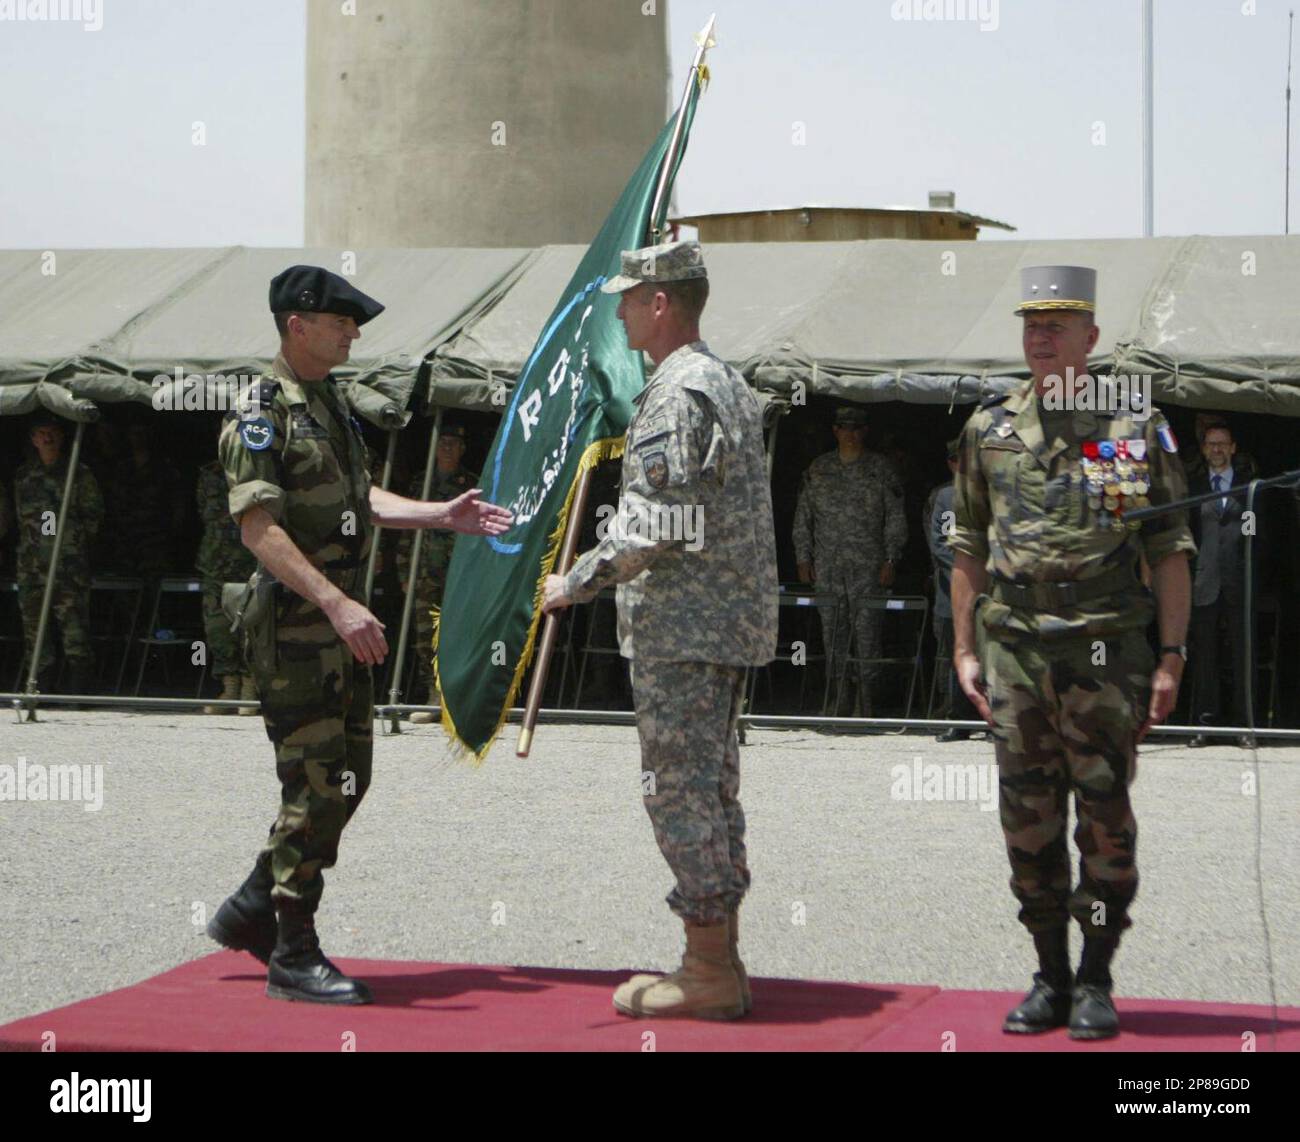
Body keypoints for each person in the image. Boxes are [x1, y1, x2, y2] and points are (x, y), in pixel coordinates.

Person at [207, 265, 511, 1005]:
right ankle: (292, 952)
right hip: (296, 626)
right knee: (312, 788)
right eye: (340, 322)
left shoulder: (331, 404)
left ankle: (255, 902)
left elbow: (357, 498)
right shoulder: (260, 411)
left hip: (341, 626)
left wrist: (440, 514)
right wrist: (337, 603)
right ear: (296, 325)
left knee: (350, 778)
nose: (354, 333)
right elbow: (259, 528)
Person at [949, 265, 1195, 1040]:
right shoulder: (988, 430)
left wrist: (1171, 657)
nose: (1041, 337)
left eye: (1057, 325)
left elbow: (1169, 547)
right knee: (1027, 820)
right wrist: (964, 650)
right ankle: (1048, 974)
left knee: (1104, 818)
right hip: (1016, 652)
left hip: (1103, 651)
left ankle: (1095, 976)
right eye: (1031, 324)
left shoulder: (1129, 426)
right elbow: (968, 546)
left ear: (1091, 337)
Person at [542, 239, 778, 1020]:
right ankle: (719, 961)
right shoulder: (725, 382)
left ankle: (707, 973)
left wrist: (570, 584)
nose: (618, 311)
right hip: (717, 626)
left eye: (628, 299)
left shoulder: (681, 391)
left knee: (677, 796)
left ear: (661, 303)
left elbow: (657, 526)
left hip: (683, 628)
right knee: (712, 794)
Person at [792, 405, 905, 715]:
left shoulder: (879, 469)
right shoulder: (819, 468)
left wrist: (891, 559)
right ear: (835, 431)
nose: (850, 434)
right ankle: (838, 699)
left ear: (864, 432)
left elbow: (894, 517)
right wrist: (803, 557)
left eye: (856, 428)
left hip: (868, 567)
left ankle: (865, 704)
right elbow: (803, 517)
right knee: (833, 636)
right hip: (828, 567)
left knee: (867, 636)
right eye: (844, 427)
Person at [14, 412, 104, 696]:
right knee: (35, 629)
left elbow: (94, 516)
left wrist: (70, 542)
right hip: (32, 564)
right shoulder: (24, 476)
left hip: (67, 563)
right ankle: (40, 688)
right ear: (33, 439)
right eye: (41, 433)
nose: (47, 438)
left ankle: (77, 692)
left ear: (62, 436)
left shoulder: (78, 473)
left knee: (74, 627)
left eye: (52, 432)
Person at [396, 423, 477, 724]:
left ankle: (455, 696)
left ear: (462, 449)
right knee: (423, 636)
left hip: (457, 576)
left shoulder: (471, 484)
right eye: (442, 442)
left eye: (453, 443)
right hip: (424, 573)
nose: (447, 448)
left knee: (457, 633)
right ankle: (433, 693)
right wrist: (404, 571)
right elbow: (406, 530)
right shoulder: (421, 484)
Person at [1187, 420, 1255, 749]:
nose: (1217, 449)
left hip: (1240, 582)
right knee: (1206, 657)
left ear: (1233, 448)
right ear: (1203, 449)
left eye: (1222, 443)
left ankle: (1246, 727)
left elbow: (1263, 537)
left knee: (1242, 656)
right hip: (1205, 583)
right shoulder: (1194, 487)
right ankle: (1205, 723)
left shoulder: (1251, 488)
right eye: (1211, 444)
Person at [196, 427, 258, 716]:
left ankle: (250, 686)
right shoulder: (209, 474)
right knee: (217, 627)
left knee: (250, 624)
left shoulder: (257, 468)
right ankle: (229, 685)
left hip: (250, 559)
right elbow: (202, 513)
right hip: (215, 561)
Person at [924, 436, 979, 741]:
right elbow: (941, 544)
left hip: (992, 590)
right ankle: (959, 720)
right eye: (959, 460)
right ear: (951, 463)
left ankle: (992, 719)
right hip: (953, 591)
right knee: (955, 653)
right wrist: (965, 576)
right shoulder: (946, 498)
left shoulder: (994, 493)